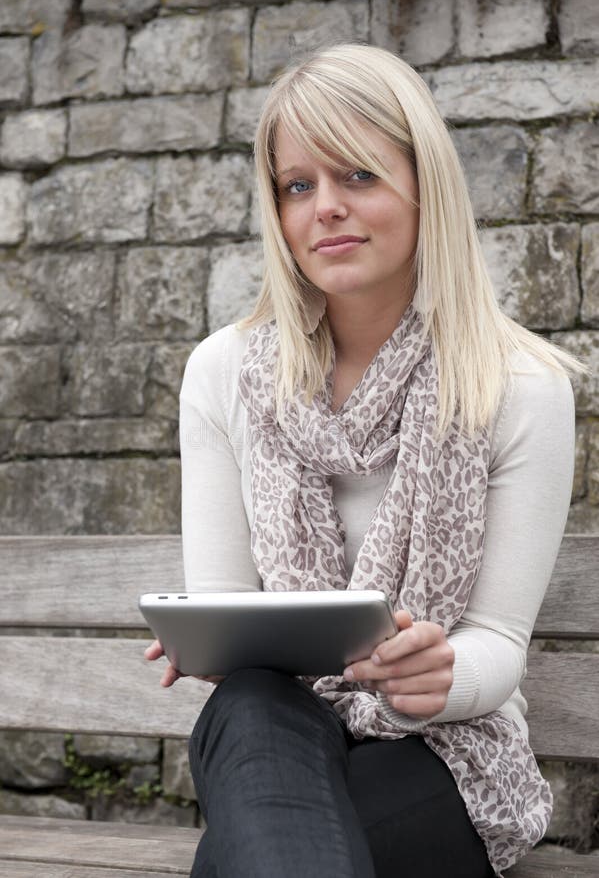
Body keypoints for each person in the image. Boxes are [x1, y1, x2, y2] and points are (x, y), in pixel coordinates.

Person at [145, 43, 582, 877]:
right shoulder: (225, 374)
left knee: (251, 855)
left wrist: (440, 674)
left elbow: (495, 639)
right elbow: (228, 607)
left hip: (446, 750)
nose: (325, 210)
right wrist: (202, 634)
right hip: (270, 723)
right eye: (297, 186)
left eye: (358, 177)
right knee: (250, 699)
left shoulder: (518, 386)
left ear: (425, 188)